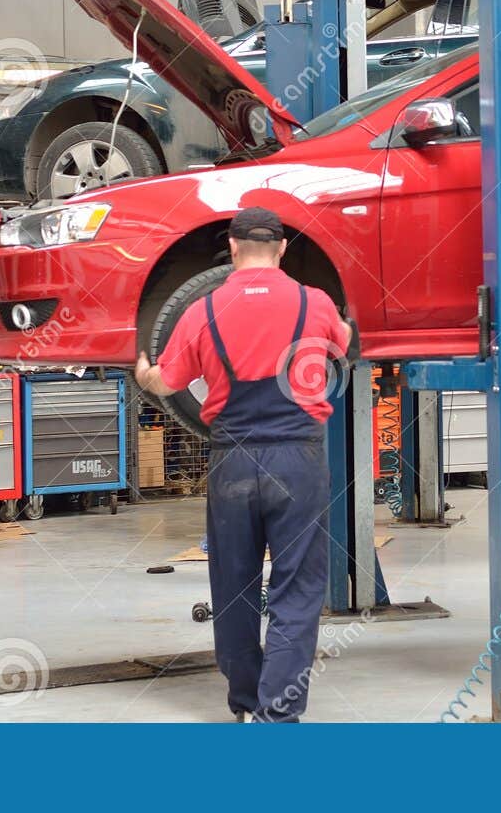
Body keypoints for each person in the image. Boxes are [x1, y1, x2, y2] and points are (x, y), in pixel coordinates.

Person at [135, 207, 351, 722]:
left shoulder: (201, 310)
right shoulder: (313, 302)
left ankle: (246, 703)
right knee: (296, 589)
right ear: (281, 248)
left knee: (233, 586)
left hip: (233, 460)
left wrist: (144, 373)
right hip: (298, 458)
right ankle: (280, 714)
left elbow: (166, 383)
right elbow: (344, 343)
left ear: (232, 248)